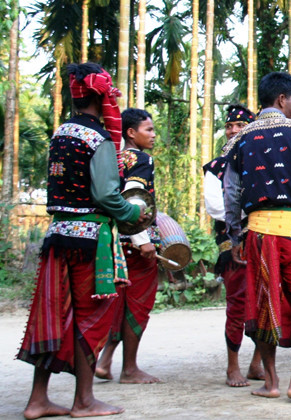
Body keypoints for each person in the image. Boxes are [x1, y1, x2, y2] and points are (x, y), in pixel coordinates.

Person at [18, 62, 149, 418]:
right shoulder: (100, 138)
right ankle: (84, 400)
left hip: (57, 235)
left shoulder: (61, 132)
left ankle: (38, 399)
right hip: (91, 239)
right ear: (101, 94)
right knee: (91, 317)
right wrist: (132, 212)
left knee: (54, 314)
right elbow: (107, 196)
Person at [223, 71, 291, 400]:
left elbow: (231, 193)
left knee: (261, 302)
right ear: (282, 99)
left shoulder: (239, 140)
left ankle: (270, 383)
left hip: (257, 233)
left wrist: (235, 234)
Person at [94, 108, 162, 384]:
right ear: (131, 133)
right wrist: (142, 240)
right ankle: (130, 369)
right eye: (149, 129)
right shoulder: (141, 159)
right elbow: (133, 197)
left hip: (114, 243)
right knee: (137, 304)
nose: (154, 135)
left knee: (119, 303)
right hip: (135, 243)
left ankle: (105, 360)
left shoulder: (114, 157)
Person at [201, 104, 265, 387]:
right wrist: (252, 207)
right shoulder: (216, 167)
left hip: (265, 239)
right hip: (233, 243)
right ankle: (232, 368)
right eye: (229, 126)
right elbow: (217, 208)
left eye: (241, 126)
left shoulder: (264, 161)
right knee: (237, 304)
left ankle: (257, 363)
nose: (234, 131)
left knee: (268, 300)